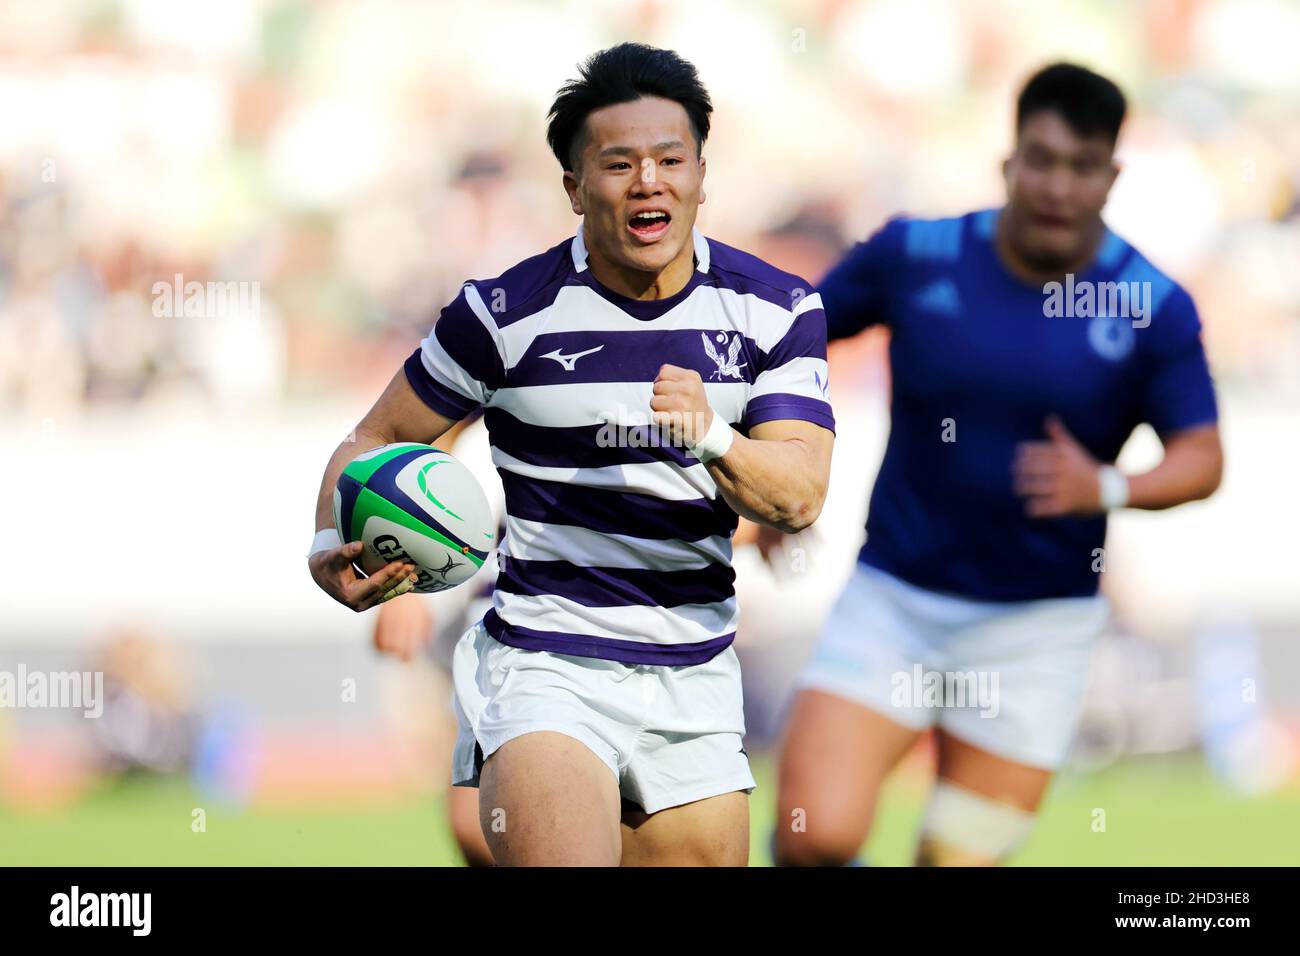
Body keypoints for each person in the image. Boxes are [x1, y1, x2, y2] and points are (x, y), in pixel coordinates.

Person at [309, 42, 834, 865]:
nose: (648, 181)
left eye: (670, 158)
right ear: (574, 186)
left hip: (695, 667)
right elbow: (376, 438)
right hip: (546, 661)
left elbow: (800, 494)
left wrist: (713, 436)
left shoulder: (778, 310)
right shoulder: (502, 314)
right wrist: (325, 547)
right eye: (618, 163)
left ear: (702, 171)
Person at [775, 63, 1223, 866]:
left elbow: (1202, 456)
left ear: (1111, 175)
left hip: (1037, 629)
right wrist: (773, 473)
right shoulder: (917, 253)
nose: (1058, 185)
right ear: (1008, 162)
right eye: (1041, 160)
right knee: (818, 836)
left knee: (958, 862)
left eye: (1081, 167)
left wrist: (1108, 485)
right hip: (894, 602)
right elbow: (790, 339)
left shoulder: (1150, 302)